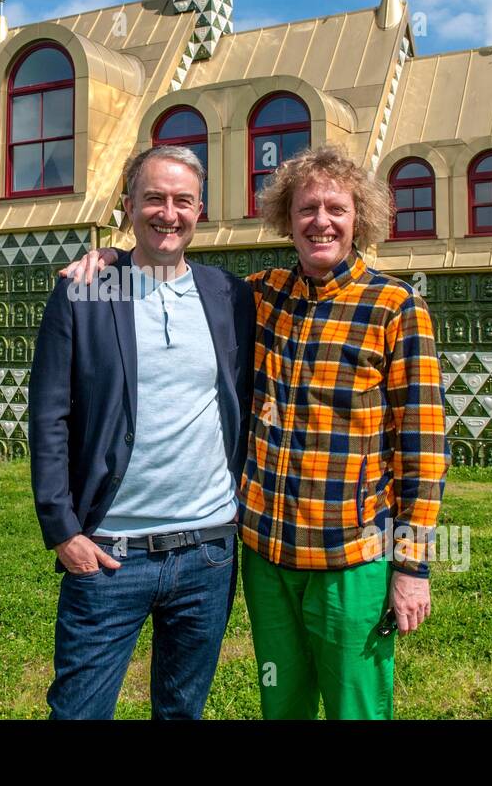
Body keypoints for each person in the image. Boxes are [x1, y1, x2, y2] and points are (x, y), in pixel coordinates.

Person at [62, 144, 448, 719]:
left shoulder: (394, 306)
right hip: (266, 553)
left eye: (336, 210)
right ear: (286, 219)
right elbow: (168, 261)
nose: (321, 222)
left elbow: (423, 448)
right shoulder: (258, 295)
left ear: (359, 219)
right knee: (281, 706)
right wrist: (112, 257)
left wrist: (412, 567)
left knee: (356, 708)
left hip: (353, 554)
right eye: (306, 209)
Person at [29, 144, 255, 720]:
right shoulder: (85, 290)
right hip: (108, 553)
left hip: (207, 550)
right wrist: (62, 529)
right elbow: (49, 416)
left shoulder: (231, 296)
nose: (168, 212)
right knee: (78, 712)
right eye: (154, 198)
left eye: (183, 200)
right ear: (128, 206)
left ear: (200, 210)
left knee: (181, 712)